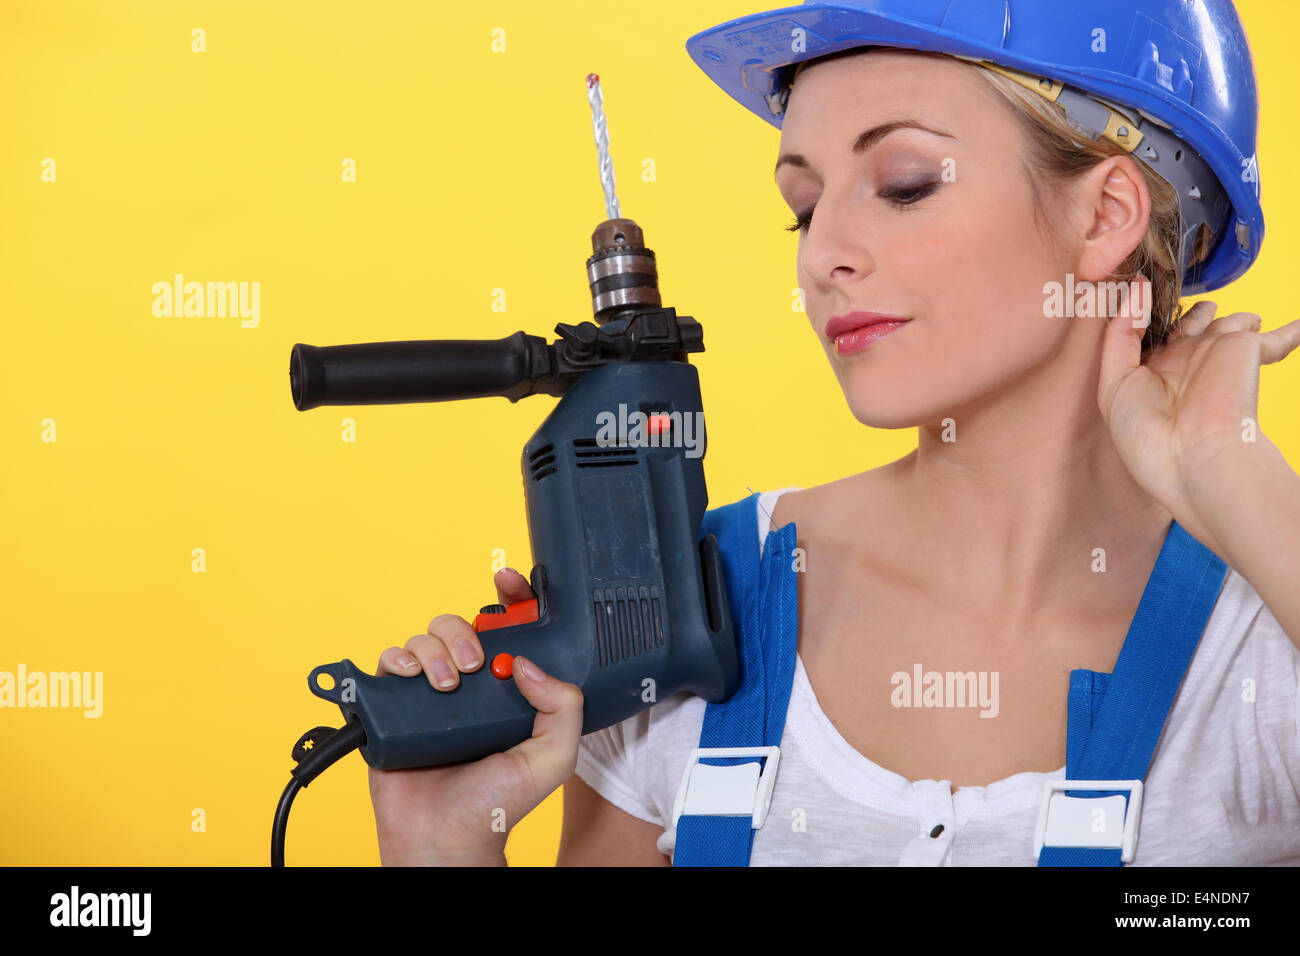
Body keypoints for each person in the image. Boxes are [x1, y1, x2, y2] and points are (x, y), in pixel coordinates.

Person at [365, 1, 1300, 866]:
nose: (822, 257)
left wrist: (1226, 471)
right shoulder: (680, 616)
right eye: (804, 208)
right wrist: (446, 853)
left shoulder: (1262, 649)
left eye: (903, 183)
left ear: (1105, 216)